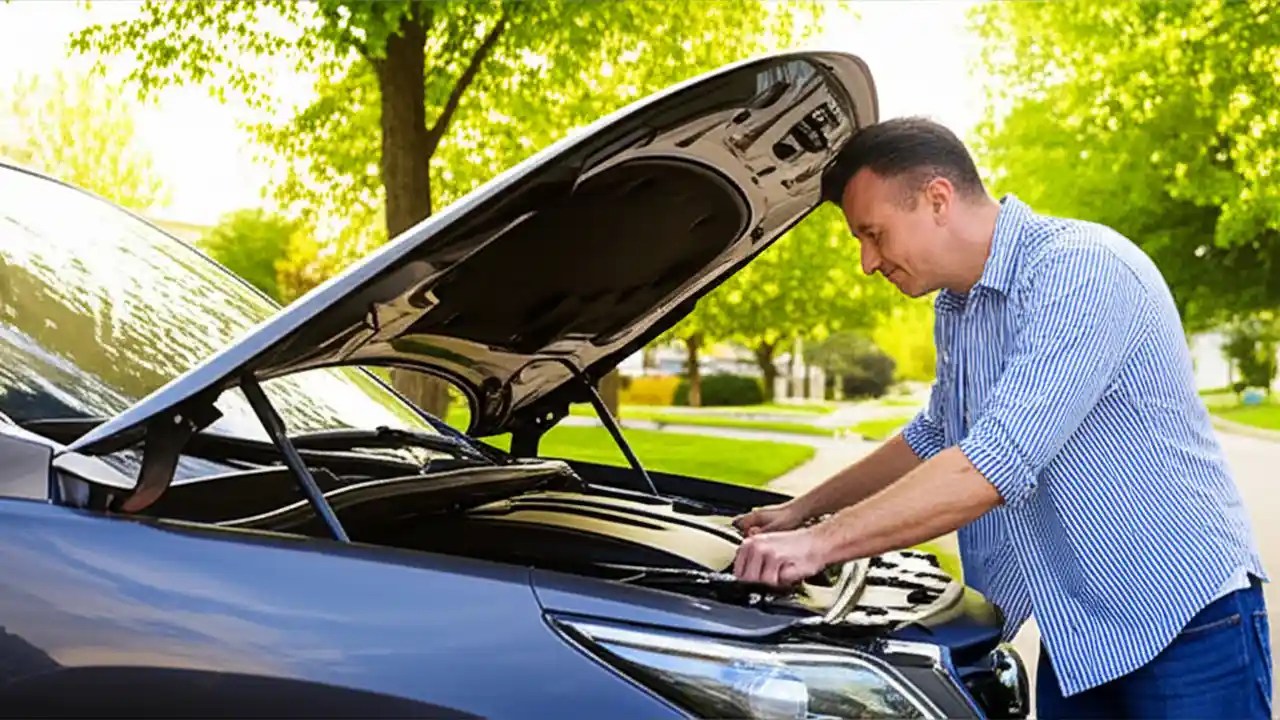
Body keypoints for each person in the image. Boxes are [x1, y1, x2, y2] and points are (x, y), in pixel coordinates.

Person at [732, 116, 1271, 719]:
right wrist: (800, 511)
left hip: (1183, 620)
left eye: (874, 234)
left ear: (937, 198)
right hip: (1082, 632)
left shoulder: (1079, 271)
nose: (867, 261)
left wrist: (820, 544)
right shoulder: (957, 309)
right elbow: (935, 435)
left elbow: (993, 462)